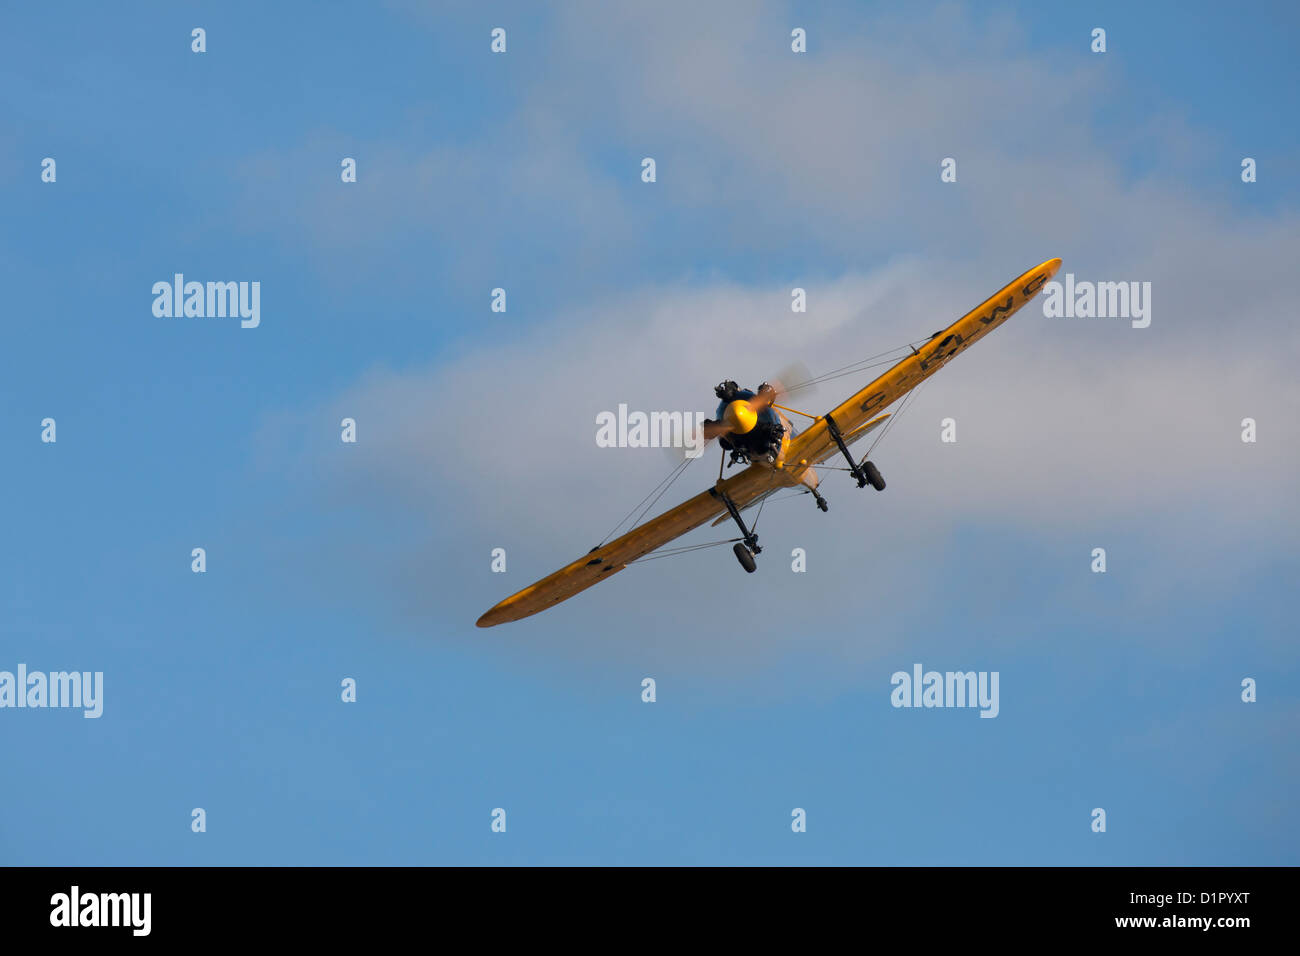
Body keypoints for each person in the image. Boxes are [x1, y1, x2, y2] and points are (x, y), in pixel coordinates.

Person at [707, 380, 785, 463]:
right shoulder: (729, 407)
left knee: (762, 446)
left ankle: (767, 448)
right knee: (726, 443)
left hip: (767, 440)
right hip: (756, 449)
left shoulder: (745, 397)